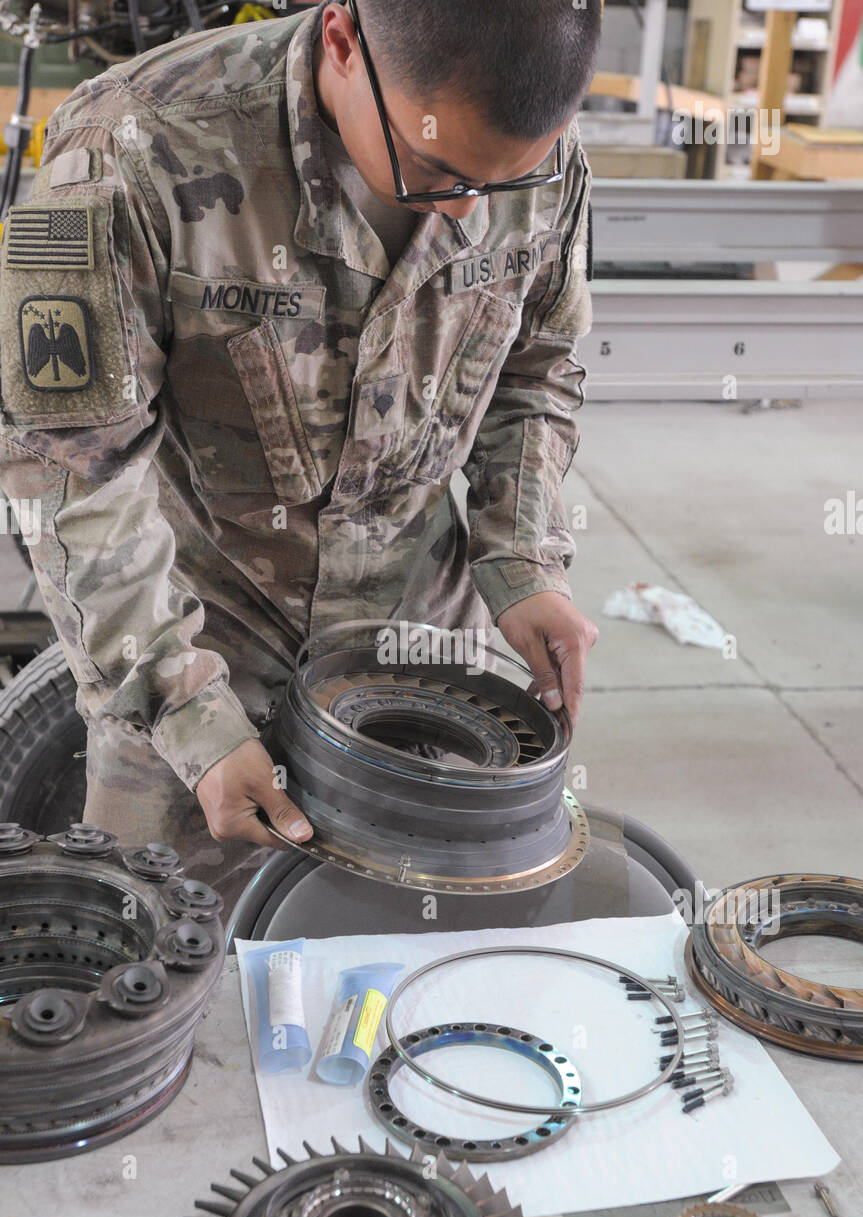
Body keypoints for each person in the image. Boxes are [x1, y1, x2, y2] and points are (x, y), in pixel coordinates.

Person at [0, 0, 601, 919]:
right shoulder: (127, 147)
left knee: (410, 962)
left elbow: (535, 369)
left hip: (418, 643)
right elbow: (71, 471)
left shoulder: (537, 156)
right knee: (157, 957)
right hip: (193, 632)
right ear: (341, 41)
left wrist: (523, 566)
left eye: (505, 181)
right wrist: (187, 715)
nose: (471, 209)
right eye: (438, 171)